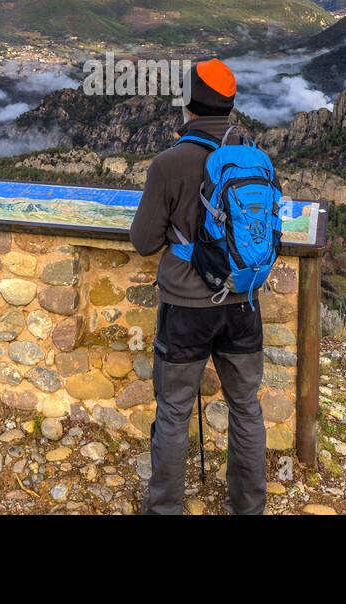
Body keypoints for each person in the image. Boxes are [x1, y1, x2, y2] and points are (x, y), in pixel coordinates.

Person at [129, 57, 266, 515]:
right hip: (242, 302)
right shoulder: (253, 158)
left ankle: (165, 508)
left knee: (173, 413)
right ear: (230, 105)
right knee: (245, 406)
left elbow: (144, 242)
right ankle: (248, 507)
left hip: (186, 308)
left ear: (188, 104)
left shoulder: (169, 163)